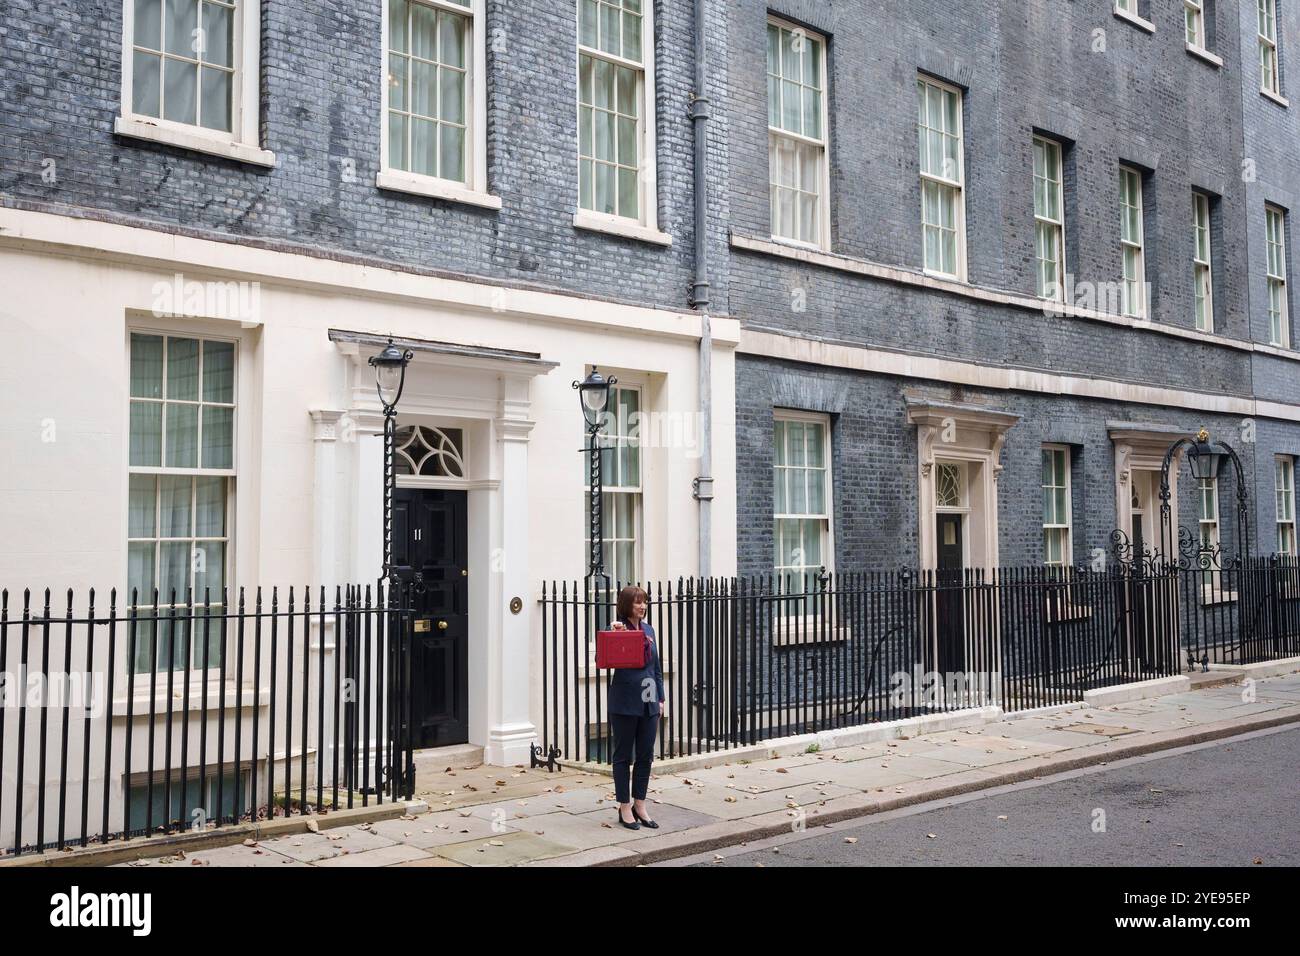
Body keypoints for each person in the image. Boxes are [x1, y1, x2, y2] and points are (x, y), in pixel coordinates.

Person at [607, 585, 665, 829]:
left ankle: (640, 803)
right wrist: (616, 634)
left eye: (645, 602)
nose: (642, 606)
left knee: (645, 754)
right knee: (622, 756)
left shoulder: (649, 629)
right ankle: (624, 806)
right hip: (625, 700)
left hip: (649, 699)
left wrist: (661, 698)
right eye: (637, 602)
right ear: (626, 605)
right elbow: (606, 658)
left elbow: (656, 668)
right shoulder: (618, 628)